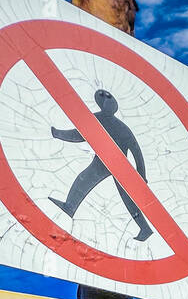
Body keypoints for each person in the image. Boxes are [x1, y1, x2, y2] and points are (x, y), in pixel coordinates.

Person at [48, 90, 153, 242]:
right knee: (86, 182)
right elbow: (136, 150)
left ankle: (69, 207)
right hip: (112, 162)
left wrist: (58, 134)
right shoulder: (119, 125)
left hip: (111, 162)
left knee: (85, 181)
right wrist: (141, 174)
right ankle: (145, 229)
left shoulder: (104, 120)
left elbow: (79, 135)